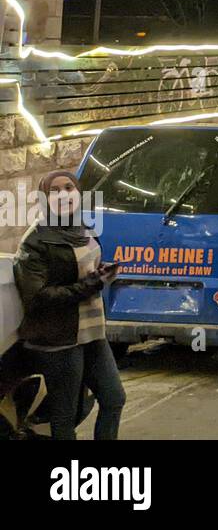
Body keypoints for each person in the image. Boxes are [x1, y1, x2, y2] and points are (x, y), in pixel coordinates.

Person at [14, 170, 126, 440]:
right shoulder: (36, 240)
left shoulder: (83, 228)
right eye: (55, 190)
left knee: (114, 398)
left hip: (91, 332)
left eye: (69, 187)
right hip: (59, 339)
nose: (64, 194)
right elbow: (38, 296)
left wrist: (100, 272)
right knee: (65, 417)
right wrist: (91, 284)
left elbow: (80, 266)